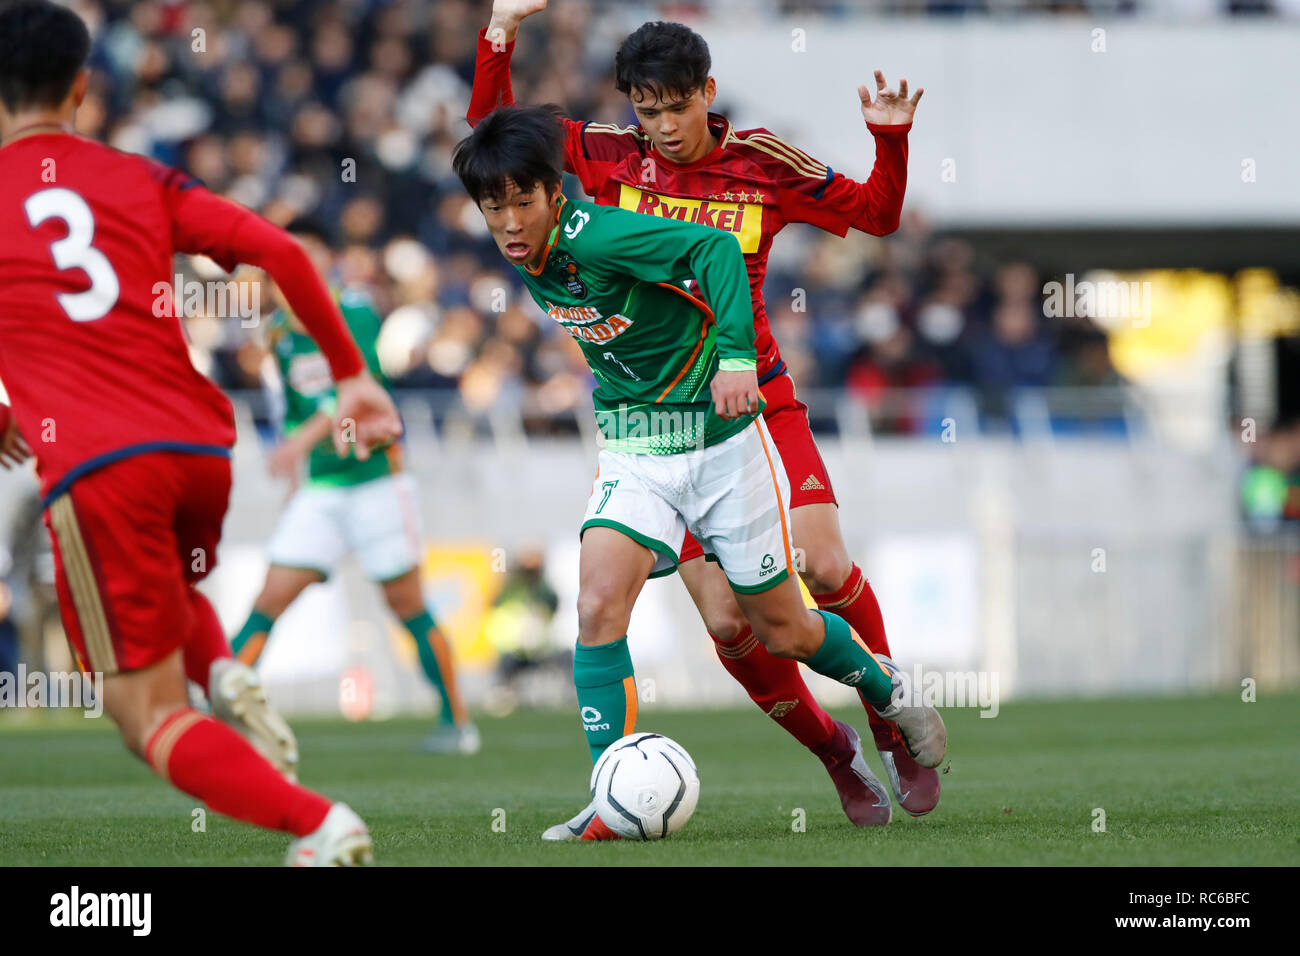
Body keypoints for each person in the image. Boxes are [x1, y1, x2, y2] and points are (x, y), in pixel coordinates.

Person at [469, 1, 940, 824]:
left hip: (750, 395)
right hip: (649, 424)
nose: (661, 130)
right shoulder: (606, 157)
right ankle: (836, 756)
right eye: (645, 113)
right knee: (729, 624)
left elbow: (875, 216)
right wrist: (500, 33)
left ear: (707, 93)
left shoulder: (762, 162)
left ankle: (888, 717)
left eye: (675, 109)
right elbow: (498, 147)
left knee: (822, 574)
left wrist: (889, 142)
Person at [0, 0, 402, 865]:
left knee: (142, 715)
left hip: (101, 469)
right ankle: (220, 670)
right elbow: (284, 255)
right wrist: (353, 373)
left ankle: (316, 825)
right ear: (81, 88)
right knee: (168, 595)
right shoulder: (141, 178)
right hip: (197, 457)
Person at [230, 219, 478, 755]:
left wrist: (299, 444)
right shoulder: (277, 333)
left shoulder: (354, 312)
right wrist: (296, 475)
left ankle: (456, 721)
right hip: (321, 488)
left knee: (406, 602)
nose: (298, 270)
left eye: (308, 256)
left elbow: (355, 388)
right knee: (269, 599)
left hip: (375, 483)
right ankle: (217, 718)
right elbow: (292, 411)